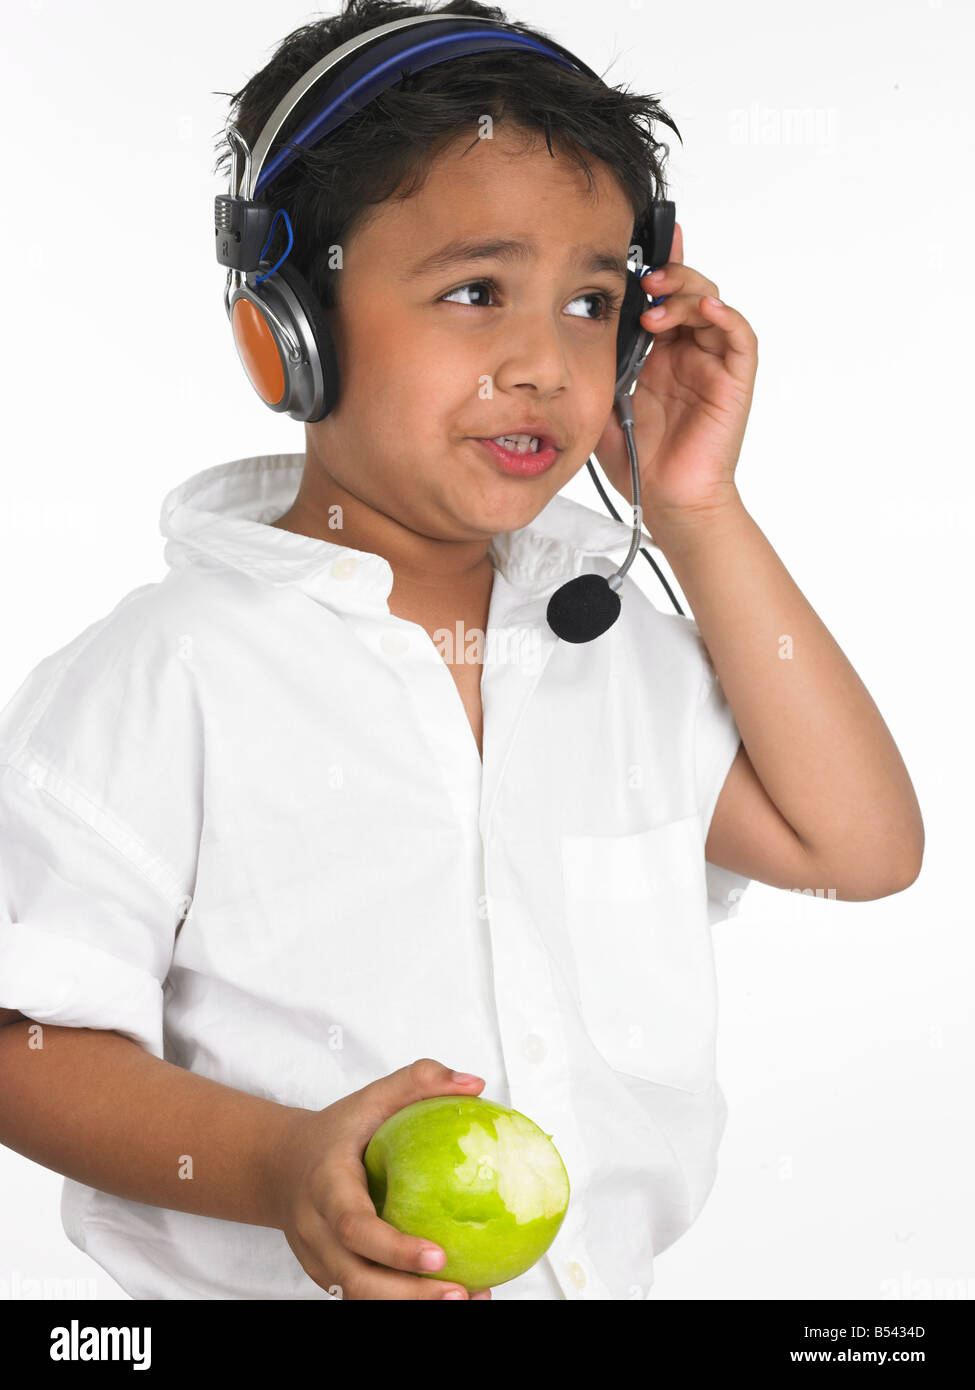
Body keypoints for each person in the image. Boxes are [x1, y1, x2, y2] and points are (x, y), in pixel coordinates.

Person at [0, 0, 923, 1301]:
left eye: (594, 301)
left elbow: (861, 851)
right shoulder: (170, 673)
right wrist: (280, 1165)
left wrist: (697, 506)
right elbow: (26, 1039)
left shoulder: (617, 647)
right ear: (288, 326)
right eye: (476, 291)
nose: (545, 361)